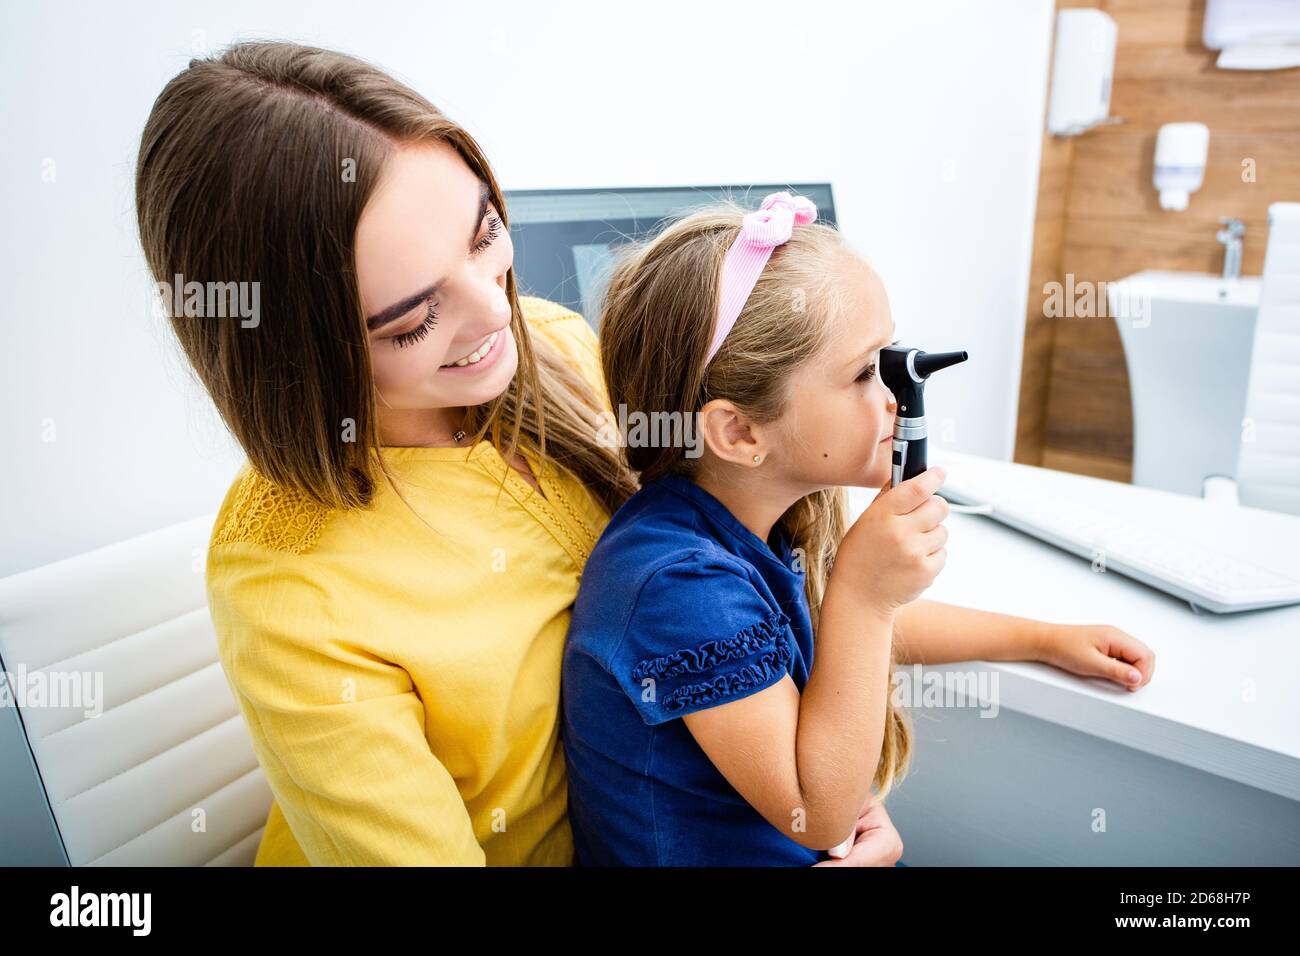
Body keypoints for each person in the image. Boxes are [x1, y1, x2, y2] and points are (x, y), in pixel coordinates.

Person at [562, 193, 1156, 865]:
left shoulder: (741, 521)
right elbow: (814, 812)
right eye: (865, 372)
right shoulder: (679, 584)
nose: (898, 395)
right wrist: (865, 595)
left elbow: (832, 636)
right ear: (740, 431)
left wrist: (1042, 639)